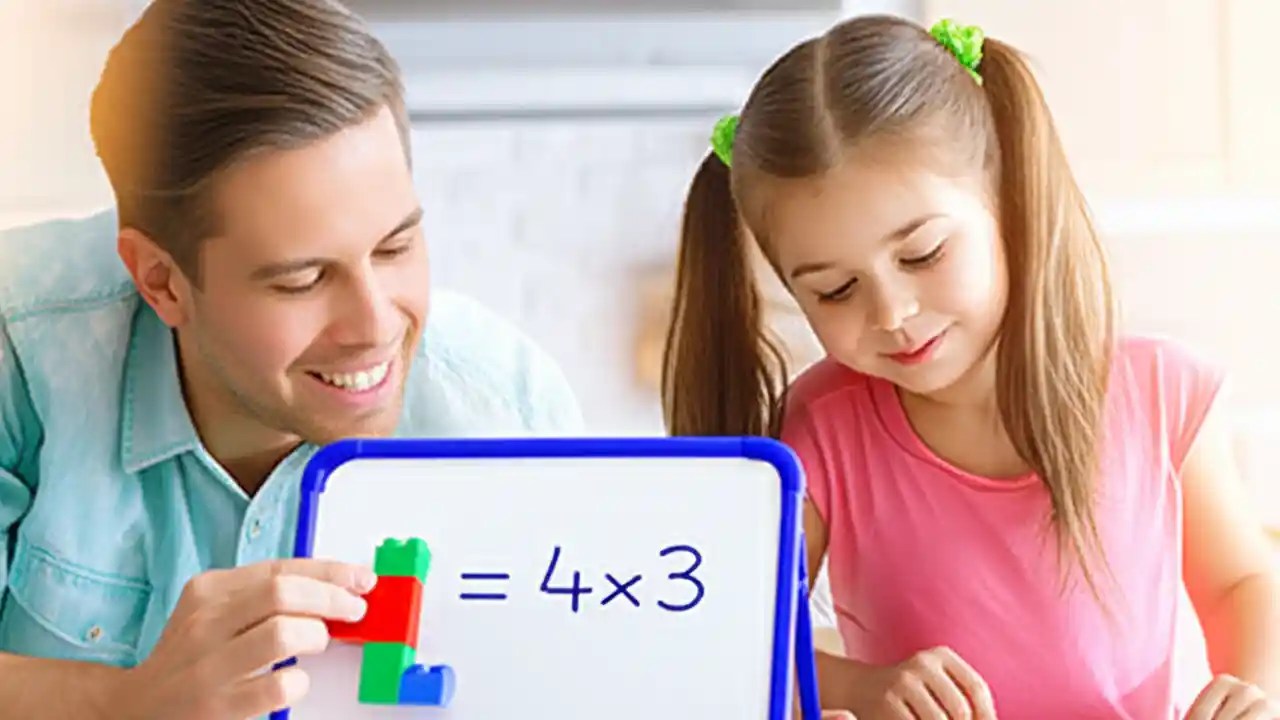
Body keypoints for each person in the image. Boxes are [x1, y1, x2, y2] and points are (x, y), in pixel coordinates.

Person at [663, 14, 1280, 720]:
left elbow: (1242, 580)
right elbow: (730, 633)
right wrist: (862, 689)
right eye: (835, 290)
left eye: (922, 254)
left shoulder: (1162, 392)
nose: (891, 312)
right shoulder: (824, 429)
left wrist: (1253, 694)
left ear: (1006, 204)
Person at [0, 0, 581, 717]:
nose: (375, 325)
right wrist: (125, 702)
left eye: (395, 247)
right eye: (302, 280)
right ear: (161, 280)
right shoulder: (21, 349)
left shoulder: (508, 412)